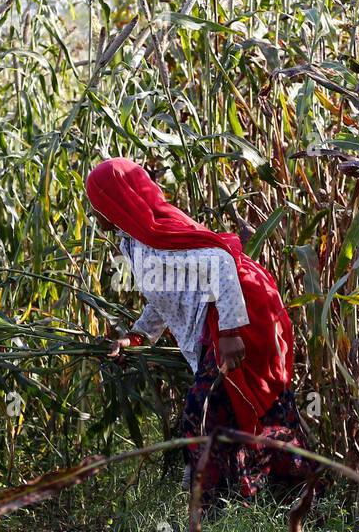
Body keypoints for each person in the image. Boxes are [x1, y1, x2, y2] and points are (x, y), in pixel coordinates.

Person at [86, 157, 315, 504]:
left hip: (240, 316)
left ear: (116, 201)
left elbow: (221, 262)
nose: (95, 214)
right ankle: (266, 497)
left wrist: (230, 332)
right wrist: (137, 336)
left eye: (97, 205)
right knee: (226, 412)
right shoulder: (134, 239)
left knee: (201, 413)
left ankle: (216, 506)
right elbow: (168, 293)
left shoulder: (154, 236)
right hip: (222, 318)